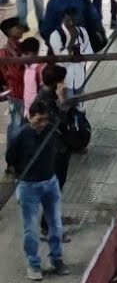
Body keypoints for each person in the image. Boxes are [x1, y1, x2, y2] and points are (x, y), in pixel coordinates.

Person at [7, 99, 70, 279]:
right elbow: (10, 158)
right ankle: (34, 264)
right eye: (38, 120)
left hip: (50, 182)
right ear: (30, 116)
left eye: (45, 120)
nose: (42, 124)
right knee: (31, 228)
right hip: (29, 187)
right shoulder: (20, 136)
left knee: (56, 224)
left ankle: (56, 258)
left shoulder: (51, 130)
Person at [40, 0, 104, 48]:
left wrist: (50, 43)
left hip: (62, 45)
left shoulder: (52, 3)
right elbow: (95, 19)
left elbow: (46, 29)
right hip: (84, 43)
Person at [1, 17, 30, 144]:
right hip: (17, 94)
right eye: (17, 27)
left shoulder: (23, 48)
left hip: (28, 92)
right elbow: (15, 75)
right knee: (16, 125)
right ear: (8, 31)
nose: (21, 29)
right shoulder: (4, 53)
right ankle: (12, 158)